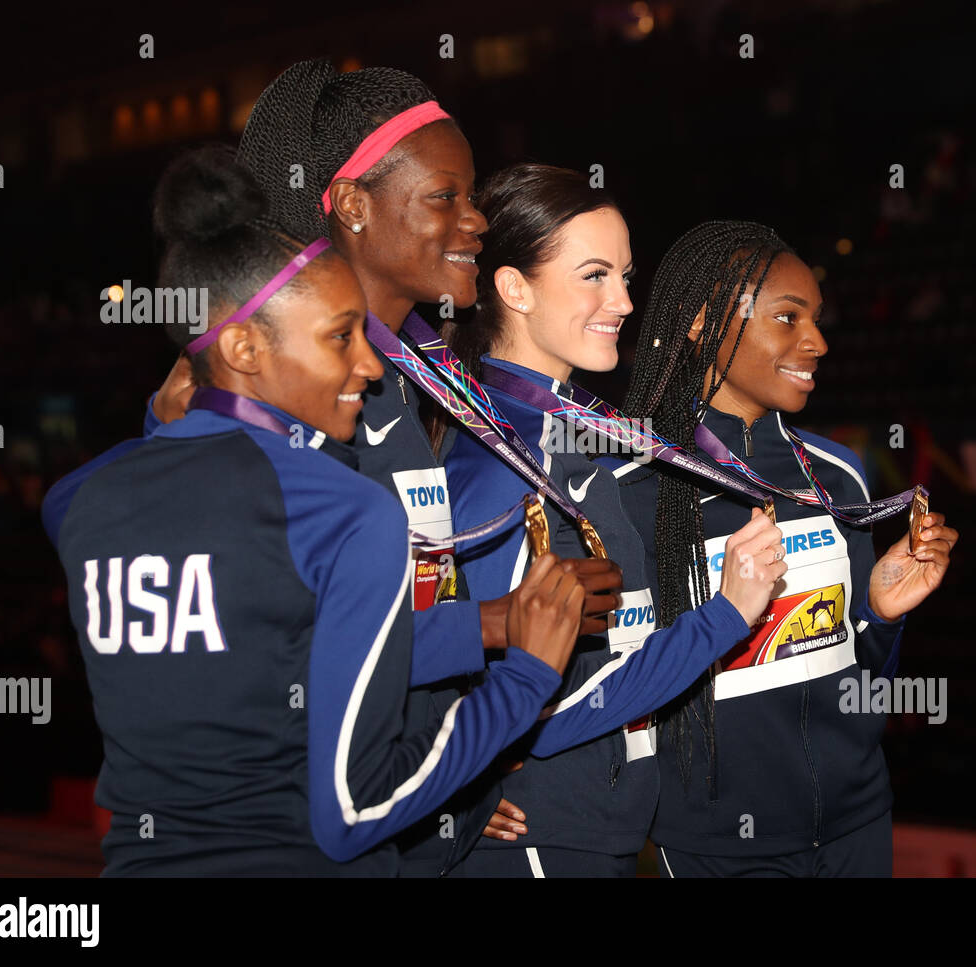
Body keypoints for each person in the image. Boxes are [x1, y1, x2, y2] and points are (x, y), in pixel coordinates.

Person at [40, 146, 583, 874]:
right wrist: (526, 676)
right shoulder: (347, 511)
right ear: (241, 345)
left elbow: (270, 643)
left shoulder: (80, 501)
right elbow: (356, 811)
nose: (367, 364)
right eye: (339, 337)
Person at [144, 60, 624, 873]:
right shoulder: (285, 385)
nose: (475, 221)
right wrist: (498, 626)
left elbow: (398, 604)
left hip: (402, 805)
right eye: (446, 196)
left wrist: (459, 765)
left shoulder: (405, 385)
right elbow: (288, 645)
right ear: (355, 205)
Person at [440, 165, 788, 876]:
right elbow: (536, 714)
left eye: (626, 275)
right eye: (594, 275)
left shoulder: (570, 437)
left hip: (596, 832)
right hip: (540, 842)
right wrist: (727, 612)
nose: (625, 300)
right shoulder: (504, 456)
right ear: (513, 287)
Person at [621, 221, 959, 876]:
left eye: (818, 318)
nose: (819, 342)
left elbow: (859, 682)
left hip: (857, 827)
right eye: (788, 317)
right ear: (702, 324)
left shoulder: (837, 477)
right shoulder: (636, 491)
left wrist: (880, 618)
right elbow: (619, 694)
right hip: (716, 849)